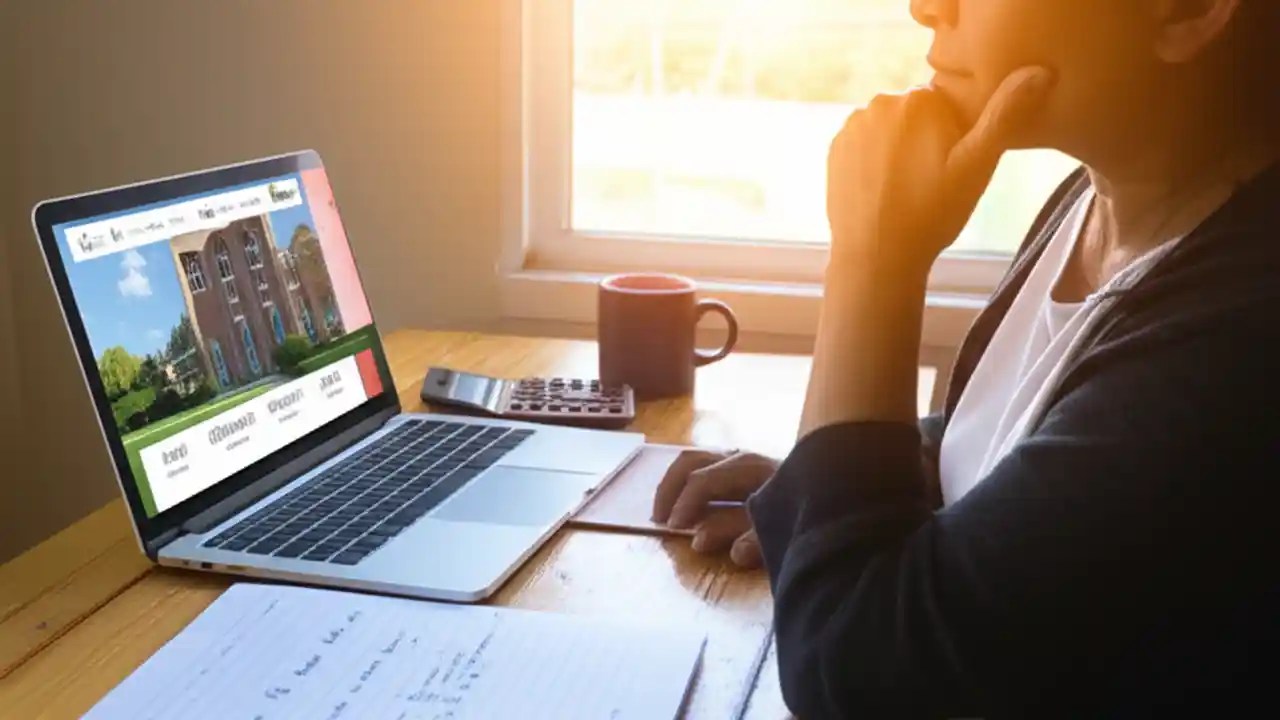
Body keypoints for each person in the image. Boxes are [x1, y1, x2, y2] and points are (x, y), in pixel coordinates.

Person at [652, 0, 1280, 715]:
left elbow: (849, 676)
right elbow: (1030, 437)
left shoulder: (1243, 346)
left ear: (1189, 11)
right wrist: (832, 499)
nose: (926, 8)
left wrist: (874, 261)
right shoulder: (1093, 206)